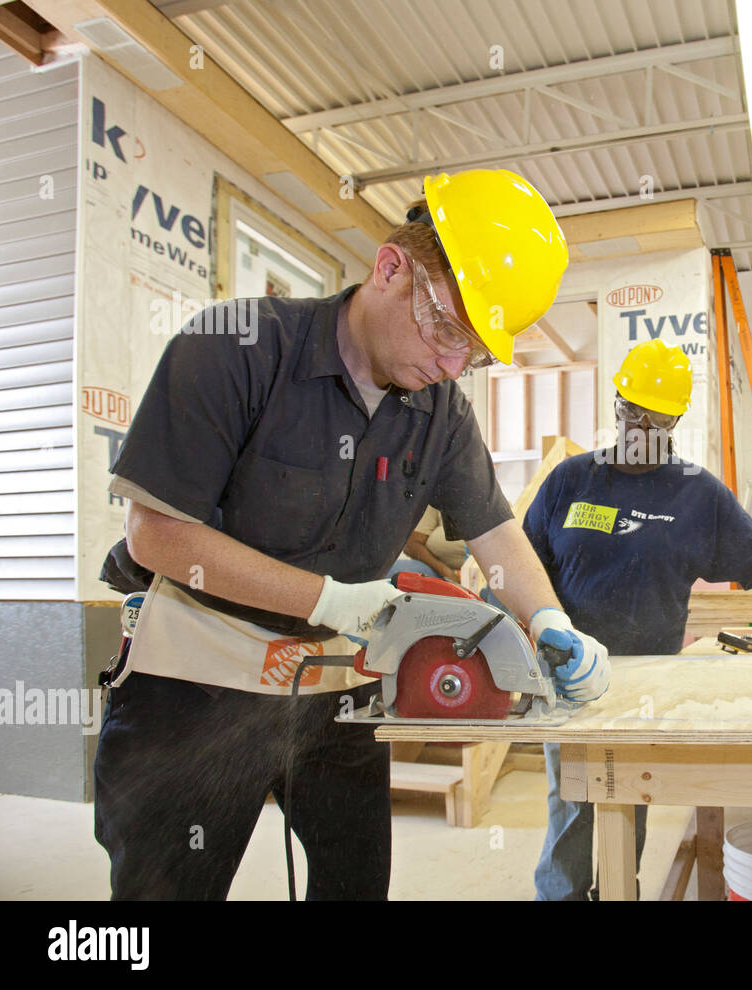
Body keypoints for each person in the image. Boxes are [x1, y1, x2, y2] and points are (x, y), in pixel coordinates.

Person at [93, 168, 611, 900]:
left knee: (356, 887)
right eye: (444, 329)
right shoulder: (235, 347)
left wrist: (549, 617)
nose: (450, 364)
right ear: (390, 267)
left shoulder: (442, 417)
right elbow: (157, 536)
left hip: (338, 688)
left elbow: (497, 535)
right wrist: (330, 598)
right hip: (195, 682)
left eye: (475, 351)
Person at [524, 339, 752, 900]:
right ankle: (559, 896)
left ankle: (617, 892)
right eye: (631, 411)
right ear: (616, 404)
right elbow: (525, 559)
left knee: (626, 803)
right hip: (568, 672)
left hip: (647, 679)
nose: (639, 428)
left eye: (655, 419)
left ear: (676, 418)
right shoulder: (570, 480)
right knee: (570, 804)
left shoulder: (696, 491)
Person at [387, 506, 467, 583]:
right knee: (388, 572)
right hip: (441, 571)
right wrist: (446, 572)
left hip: (474, 571)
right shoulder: (435, 498)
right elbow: (411, 545)